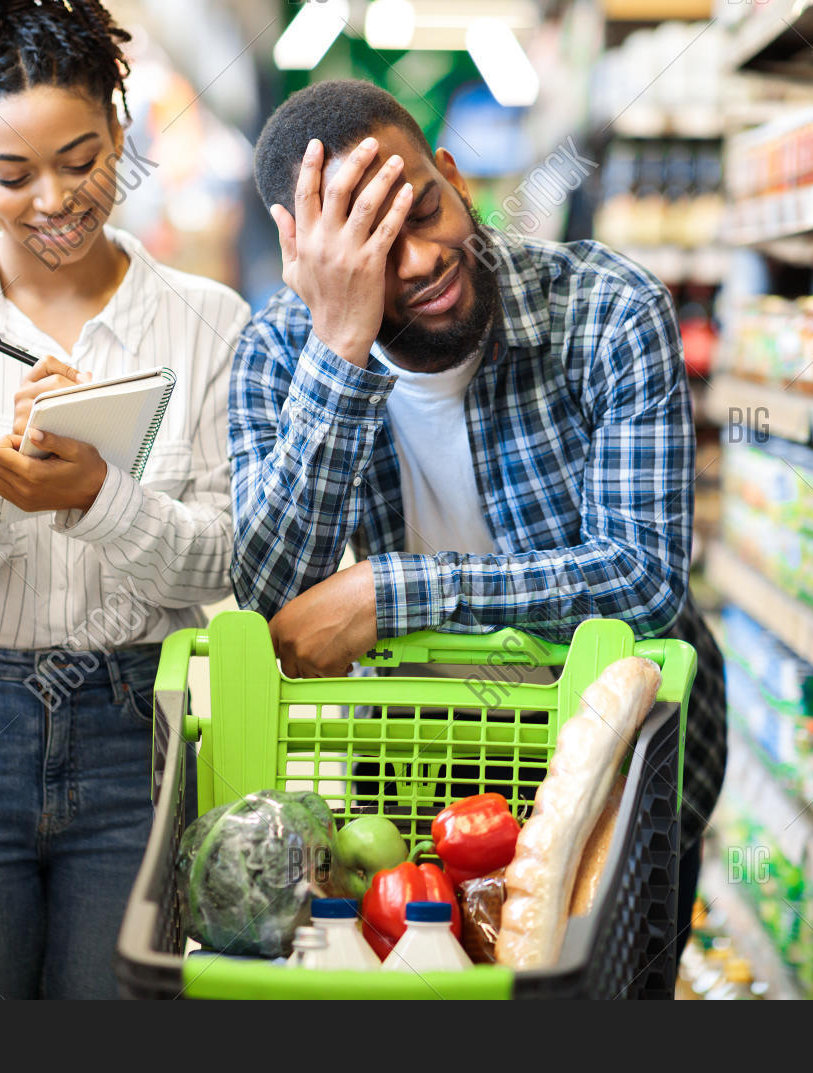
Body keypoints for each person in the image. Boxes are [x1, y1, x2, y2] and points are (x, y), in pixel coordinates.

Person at [229, 80, 725, 962]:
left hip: (616, 764)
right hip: (422, 759)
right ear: (306, 256)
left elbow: (642, 579)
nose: (418, 261)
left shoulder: (608, 310)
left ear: (452, 176)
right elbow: (274, 596)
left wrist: (394, 591)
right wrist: (342, 345)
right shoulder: (276, 349)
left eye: (424, 210)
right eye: (372, 248)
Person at [0, 0, 247, 999]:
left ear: (120, 128)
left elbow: (230, 560)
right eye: (12, 176)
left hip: (136, 737)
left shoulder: (211, 326)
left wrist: (102, 497)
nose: (55, 199)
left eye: (82, 160)